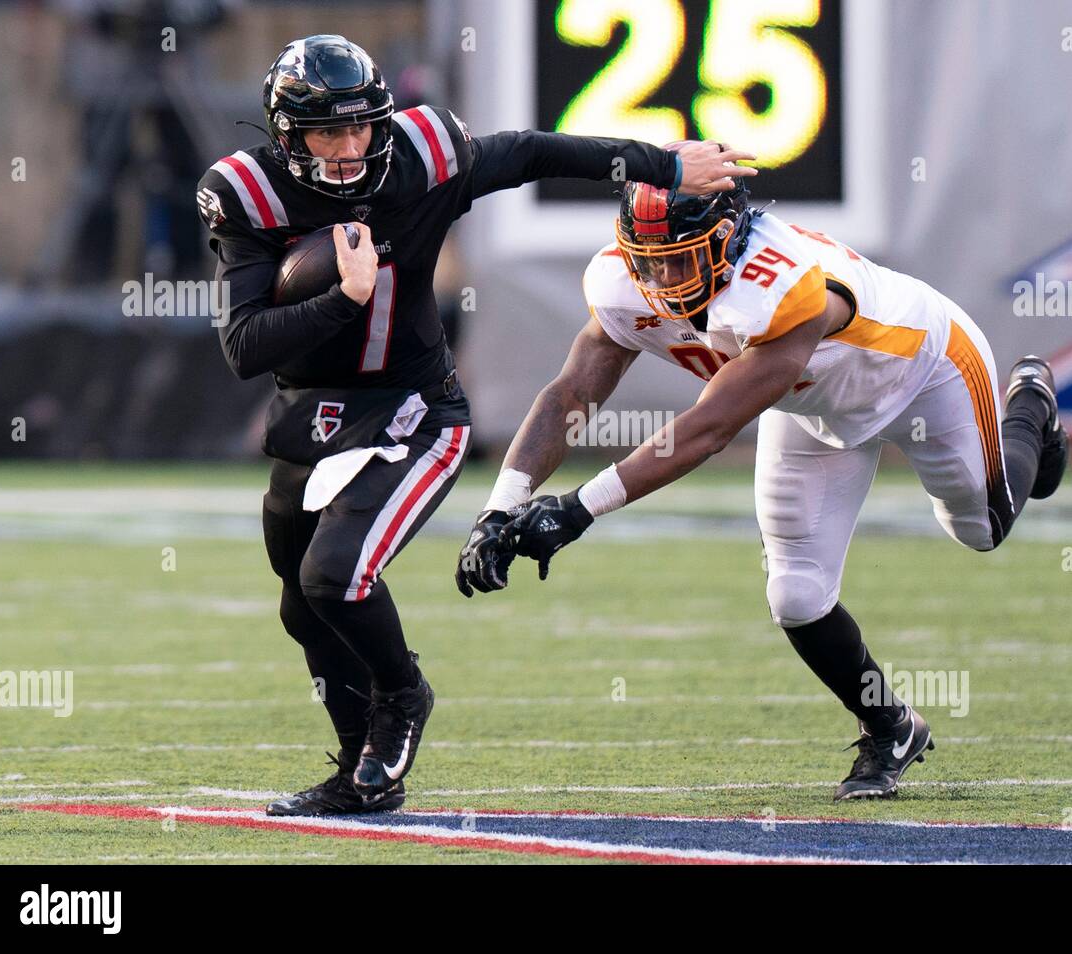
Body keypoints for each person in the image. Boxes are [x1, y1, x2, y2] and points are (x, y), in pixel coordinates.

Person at [197, 35, 757, 816]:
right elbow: (244, 347)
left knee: (337, 574)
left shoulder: (423, 154)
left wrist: (660, 165)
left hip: (416, 409)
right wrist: (341, 300)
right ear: (286, 135)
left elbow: (532, 152)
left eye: (362, 126)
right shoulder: (248, 193)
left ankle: (404, 696)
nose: (351, 146)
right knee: (303, 604)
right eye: (328, 131)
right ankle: (361, 769)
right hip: (310, 410)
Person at [455, 168, 1069, 801]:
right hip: (808, 405)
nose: (664, 280)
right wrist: (502, 506)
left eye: (680, 260)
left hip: (922, 373)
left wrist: (579, 509)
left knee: (983, 527)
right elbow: (573, 392)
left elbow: (708, 429)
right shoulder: (622, 281)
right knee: (797, 594)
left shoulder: (781, 286)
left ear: (728, 239)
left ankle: (1030, 400)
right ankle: (891, 726)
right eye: (650, 262)